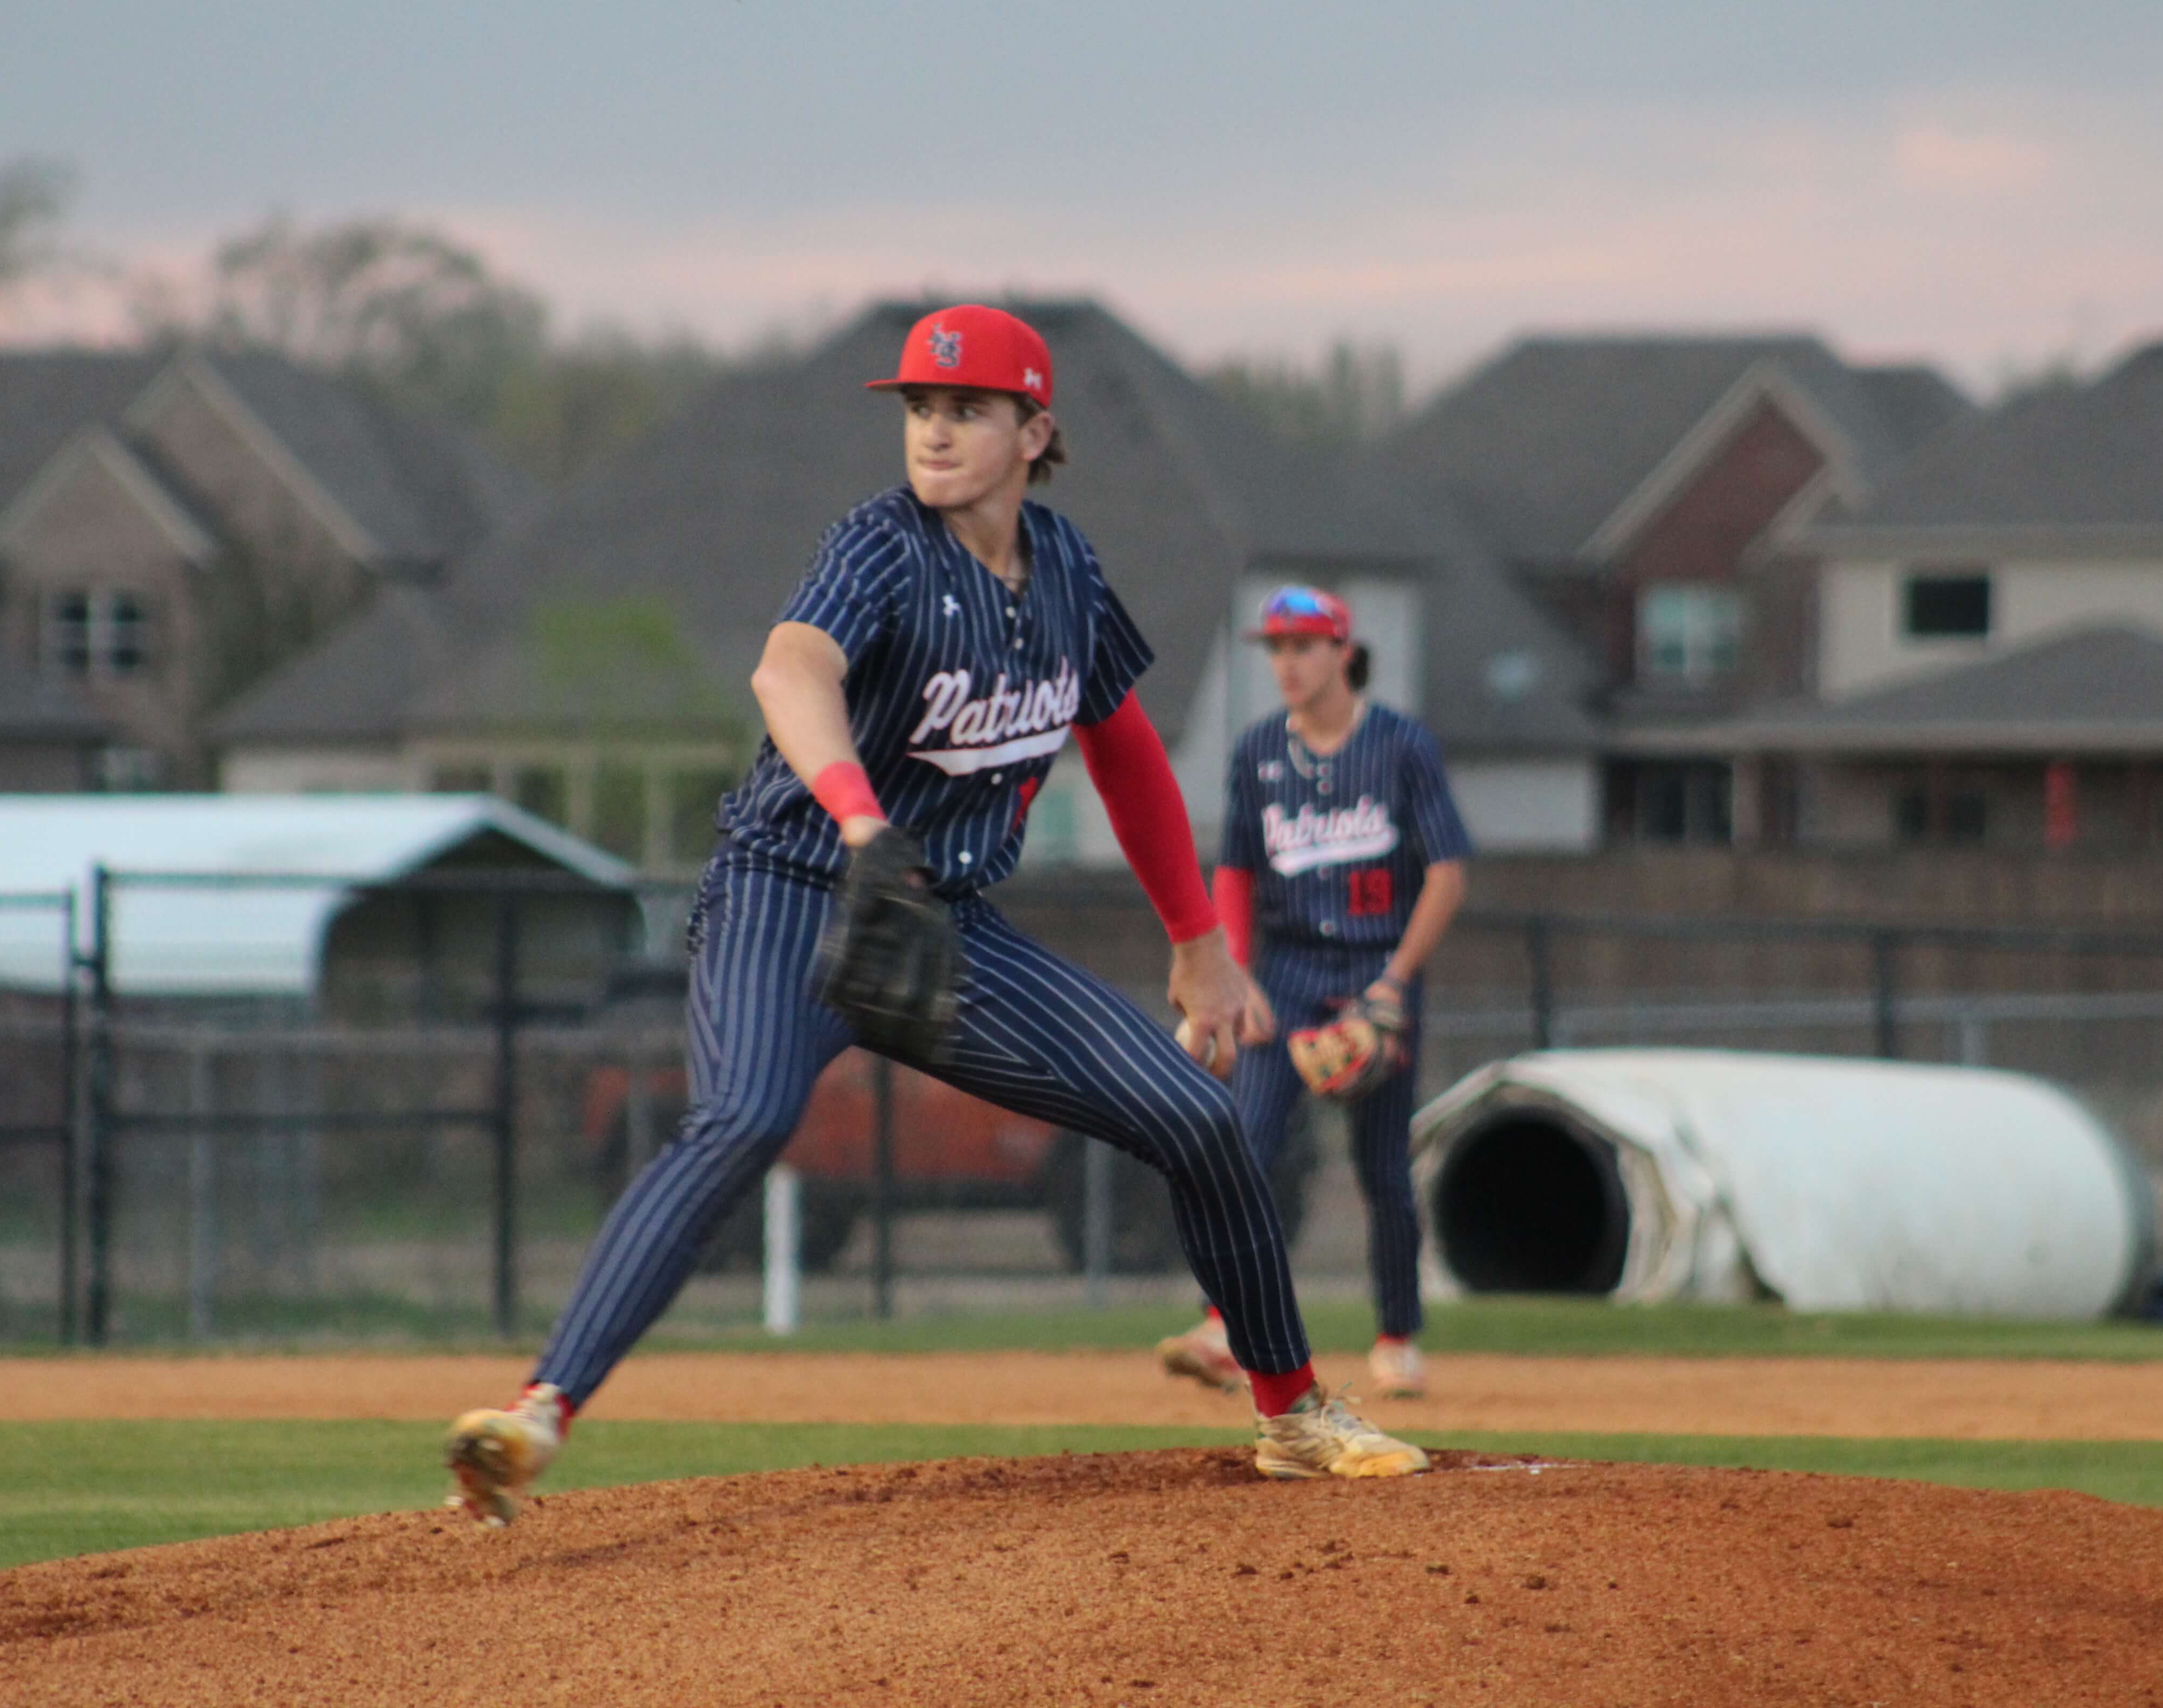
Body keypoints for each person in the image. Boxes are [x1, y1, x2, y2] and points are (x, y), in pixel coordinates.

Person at [444, 307, 1427, 1523]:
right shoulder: (880, 547)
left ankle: (1293, 1414)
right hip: (793, 893)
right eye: (920, 407)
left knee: (1196, 1113)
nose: (937, 430)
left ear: (1035, 431)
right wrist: (860, 817)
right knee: (743, 1116)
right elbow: (788, 672)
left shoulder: (1066, 569)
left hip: (944, 918)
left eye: (967, 408)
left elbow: (1122, 751)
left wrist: (1199, 945)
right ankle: (537, 1415)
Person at [1157, 584, 1470, 1401]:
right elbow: (1233, 871)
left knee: (1383, 1174)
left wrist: (1396, 984)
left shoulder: (1401, 747)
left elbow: (1446, 871)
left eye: (1303, 646)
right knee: (1245, 1149)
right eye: (1277, 649)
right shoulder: (1258, 753)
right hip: (1284, 977)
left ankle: (1397, 1334)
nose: (1287, 663)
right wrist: (1237, 974)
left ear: (1342, 651)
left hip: (1376, 973)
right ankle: (1226, 1327)